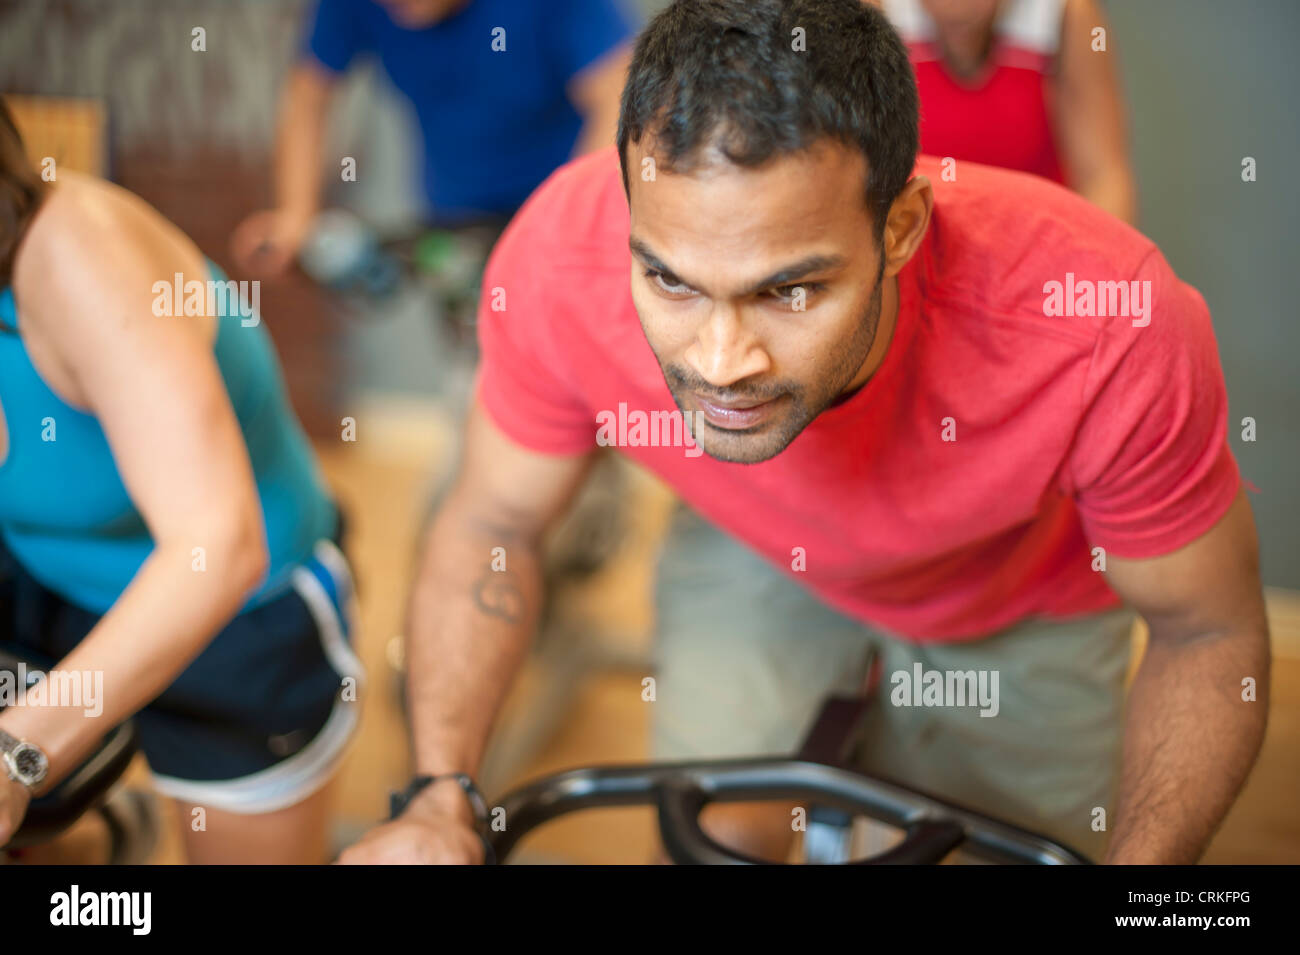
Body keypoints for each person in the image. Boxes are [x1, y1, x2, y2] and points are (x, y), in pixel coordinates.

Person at [339, 0, 1268, 865]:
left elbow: (1207, 633)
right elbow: (493, 525)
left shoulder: (1109, 324)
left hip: (1013, 588)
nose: (721, 359)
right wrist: (437, 792)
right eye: (671, 281)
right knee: (718, 839)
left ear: (900, 228)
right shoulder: (556, 260)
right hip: (761, 546)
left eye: (789, 290)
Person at [0, 100, 363, 864]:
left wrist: (16, 754)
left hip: (234, 606)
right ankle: (105, 839)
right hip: (35, 573)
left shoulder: (74, 253)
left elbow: (218, 548)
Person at [231, 0, 638, 275]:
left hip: (563, 213)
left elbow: (619, 96)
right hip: (454, 222)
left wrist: (571, 227)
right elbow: (309, 94)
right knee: (482, 374)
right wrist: (296, 214)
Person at [874, 0, 1137, 223]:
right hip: (916, 260)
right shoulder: (874, 14)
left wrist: (1092, 274)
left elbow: (1104, 179)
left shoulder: (1067, 15)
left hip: (1043, 256)